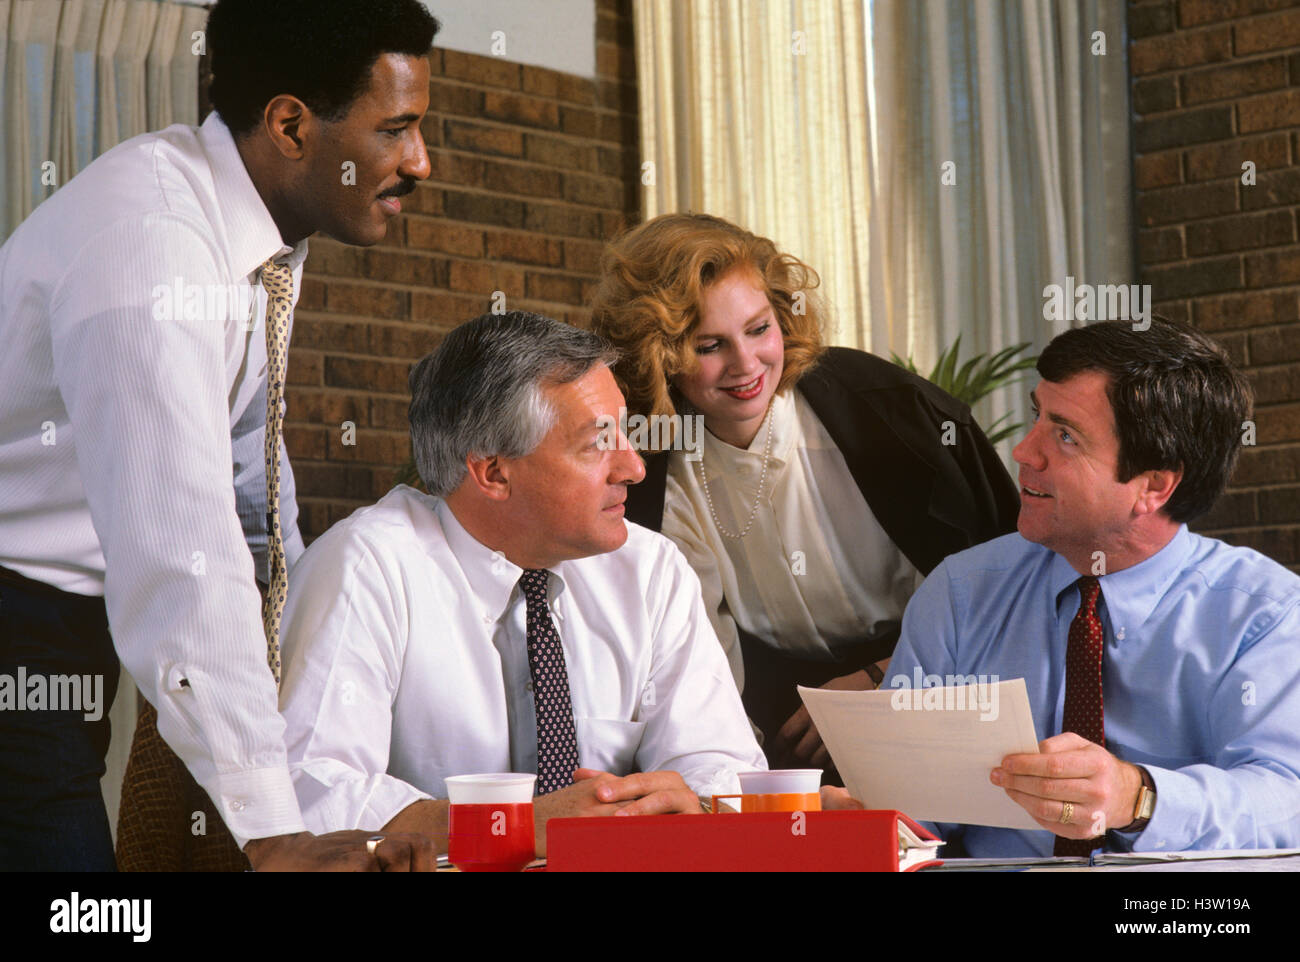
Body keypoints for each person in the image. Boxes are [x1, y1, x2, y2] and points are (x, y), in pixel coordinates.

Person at [0, 0, 441, 871]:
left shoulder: (253, 242)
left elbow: (253, 489)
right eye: (397, 129)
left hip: (64, 611)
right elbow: (183, 553)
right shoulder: (155, 252)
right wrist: (275, 837)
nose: (421, 162)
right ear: (290, 125)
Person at [276, 312, 768, 856]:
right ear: (492, 473)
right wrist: (513, 825)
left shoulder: (651, 570)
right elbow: (308, 789)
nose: (634, 467)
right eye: (595, 445)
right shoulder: (365, 566)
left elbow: (724, 766)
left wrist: (693, 804)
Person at [588, 213, 1019, 771]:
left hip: (940, 690)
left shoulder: (895, 412)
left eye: (759, 328)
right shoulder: (647, 472)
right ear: (661, 354)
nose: (746, 365)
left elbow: (1012, 588)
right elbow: (695, 670)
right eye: (709, 345)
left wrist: (883, 678)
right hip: (776, 725)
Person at [872, 317, 1300, 855]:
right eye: (1037, 417)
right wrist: (880, 815)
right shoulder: (961, 592)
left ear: (1154, 485)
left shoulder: (1264, 616)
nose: (1025, 452)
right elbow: (917, 806)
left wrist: (1138, 797)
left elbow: (1288, 799)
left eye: (1065, 435)